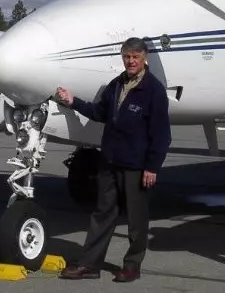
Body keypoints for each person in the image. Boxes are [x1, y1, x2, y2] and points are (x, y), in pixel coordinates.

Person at [56, 37, 171, 282]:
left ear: (144, 58)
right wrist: (73, 101)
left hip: (136, 165)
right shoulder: (117, 84)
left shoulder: (154, 90)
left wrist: (152, 167)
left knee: (136, 220)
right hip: (110, 161)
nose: (130, 61)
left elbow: (161, 135)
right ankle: (90, 265)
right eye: (127, 57)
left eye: (135, 57)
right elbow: (99, 112)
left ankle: (132, 266)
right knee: (102, 213)